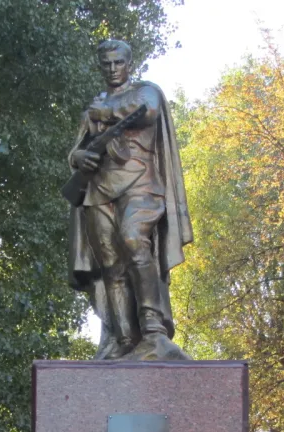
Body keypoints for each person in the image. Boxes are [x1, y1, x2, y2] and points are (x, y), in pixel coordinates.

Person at [66, 38, 193, 361]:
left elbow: (147, 111)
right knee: (110, 262)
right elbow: (77, 149)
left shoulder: (145, 91)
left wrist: (105, 112)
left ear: (128, 63)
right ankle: (124, 339)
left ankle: (153, 330)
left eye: (118, 63)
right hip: (98, 190)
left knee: (134, 239)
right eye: (106, 64)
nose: (112, 69)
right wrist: (79, 158)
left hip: (141, 184)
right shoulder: (93, 107)